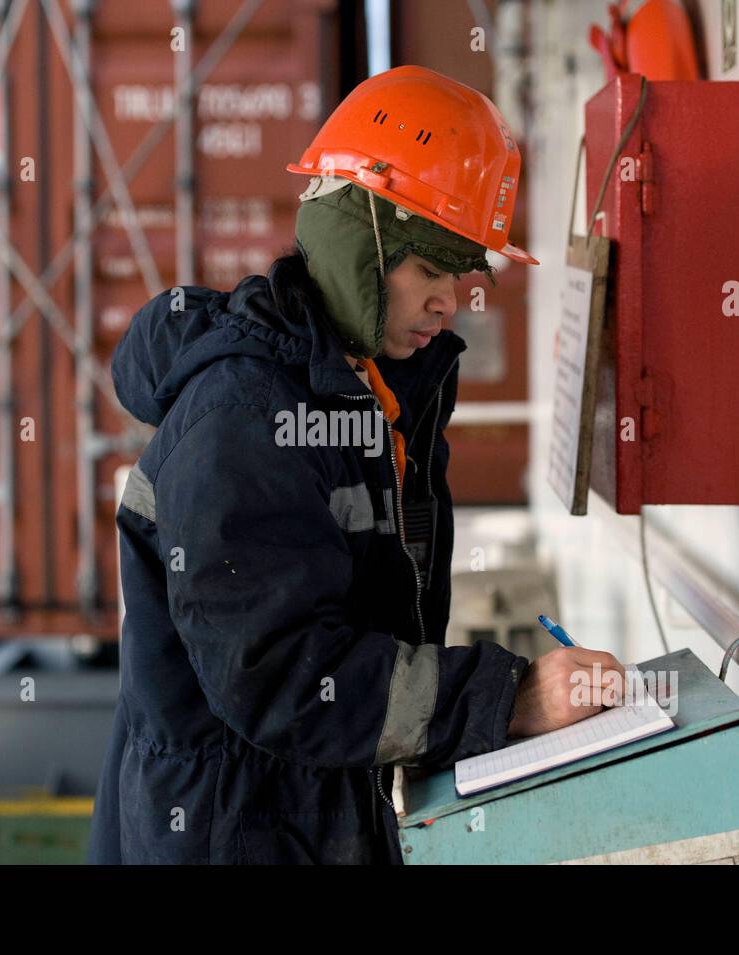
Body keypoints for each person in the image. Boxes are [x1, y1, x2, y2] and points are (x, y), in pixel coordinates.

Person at [89, 65, 628, 865]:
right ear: (356, 236)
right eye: (432, 268)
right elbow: (280, 676)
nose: (451, 301)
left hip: (309, 815)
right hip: (227, 837)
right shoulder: (242, 419)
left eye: (462, 272)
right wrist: (507, 696)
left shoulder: (371, 394)